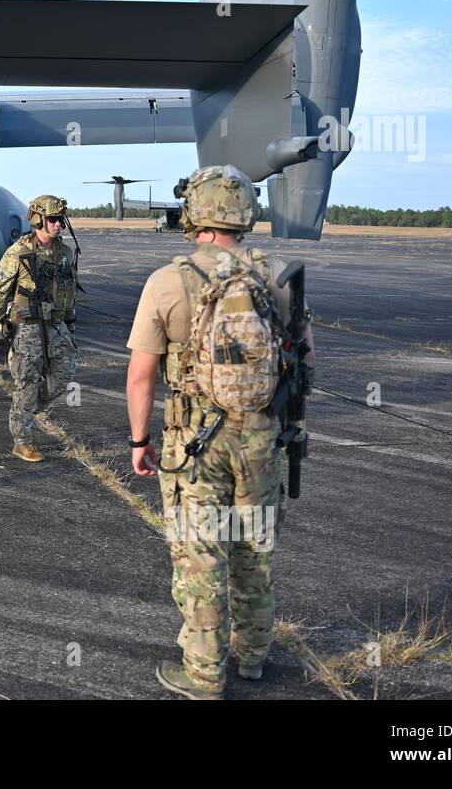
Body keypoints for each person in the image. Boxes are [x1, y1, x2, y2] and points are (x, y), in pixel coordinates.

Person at [125, 165, 316, 699]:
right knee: (254, 547)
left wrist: (141, 442)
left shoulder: (168, 281)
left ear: (196, 211)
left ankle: (205, 675)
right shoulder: (278, 275)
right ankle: (252, 657)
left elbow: (140, 376)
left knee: (201, 554)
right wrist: (291, 427)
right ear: (245, 211)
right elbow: (304, 362)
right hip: (259, 441)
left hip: (194, 444)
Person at [0, 194, 80, 462]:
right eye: (52, 219)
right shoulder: (19, 252)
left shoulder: (64, 253)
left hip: (56, 325)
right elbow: (0, 290)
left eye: (60, 219)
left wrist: (70, 324)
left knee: (65, 372)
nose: (58, 224)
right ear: (38, 220)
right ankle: (22, 440)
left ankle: (24, 410)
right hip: (28, 327)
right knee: (26, 381)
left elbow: (69, 292)